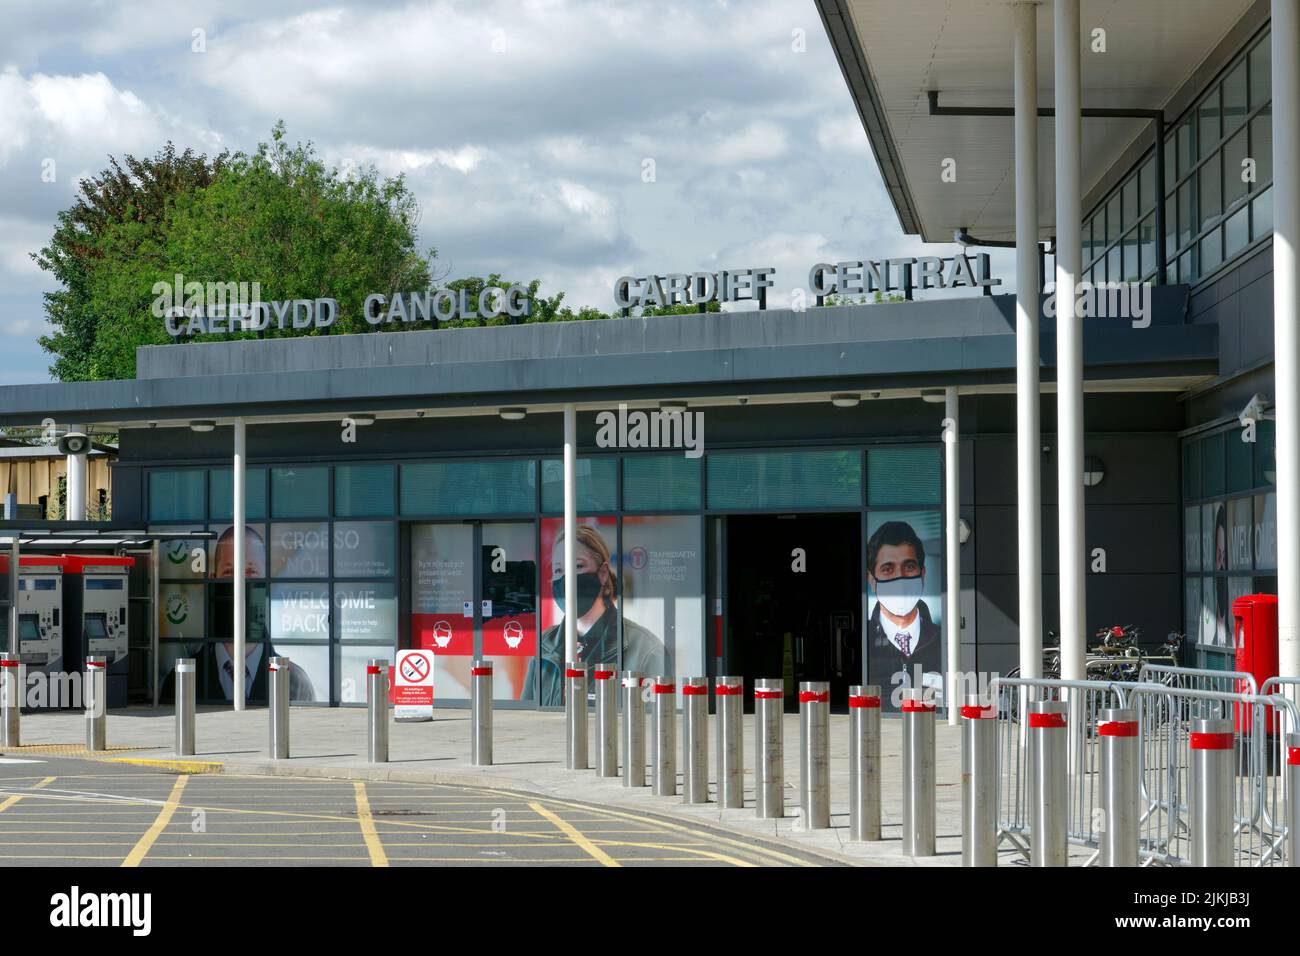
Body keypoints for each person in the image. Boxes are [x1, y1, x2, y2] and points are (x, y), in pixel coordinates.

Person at [524, 525, 663, 707]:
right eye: (558, 570)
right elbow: (526, 715)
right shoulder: (543, 647)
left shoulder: (644, 649)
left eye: (577, 566)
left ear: (603, 573)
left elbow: (654, 725)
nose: (567, 579)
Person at [866, 520, 942, 700]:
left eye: (909, 567)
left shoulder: (943, 639)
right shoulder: (865, 638)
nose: (900, 578)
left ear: (922, 574)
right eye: (888, 569)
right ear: (872, 580)